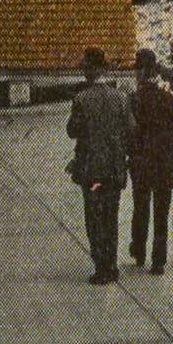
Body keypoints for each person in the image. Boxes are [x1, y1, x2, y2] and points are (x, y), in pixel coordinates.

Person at [66, 47, 133, 284]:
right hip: (114, 171)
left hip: (93, 173)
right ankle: (112, 265)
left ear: (90, 71)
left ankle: (101, 267)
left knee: (95, 218)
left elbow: (72, 131)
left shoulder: (82, 99)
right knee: (111, 217)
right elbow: (131, 129)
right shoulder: (121, 98)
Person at [130, 47, 173, 274]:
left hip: (141, 164)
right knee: (162, 214)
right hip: (164, 164)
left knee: (140, 209)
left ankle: (139, 252)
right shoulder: (169, 100)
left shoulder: (133, 101)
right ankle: (158, 261)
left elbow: (129, 134)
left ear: (141, 72)